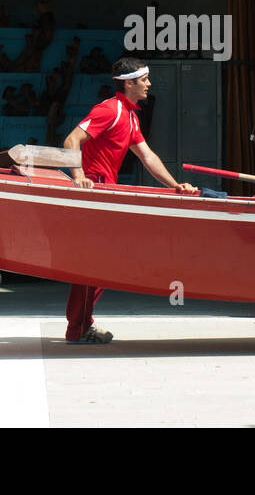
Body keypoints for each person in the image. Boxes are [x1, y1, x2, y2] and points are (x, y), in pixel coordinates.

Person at [60, 56, 199, 344]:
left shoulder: (131, 116)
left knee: (100, 263)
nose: (149, 84)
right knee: (95, 264)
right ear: (129, 83)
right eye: (144, 79)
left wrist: (176, 186)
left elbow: (148, 157)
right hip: (95, 192)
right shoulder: (109, 110)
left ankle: (81, 324)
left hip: (108, 193)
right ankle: (78, 328)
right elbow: (71, 140)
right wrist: (79, 175)